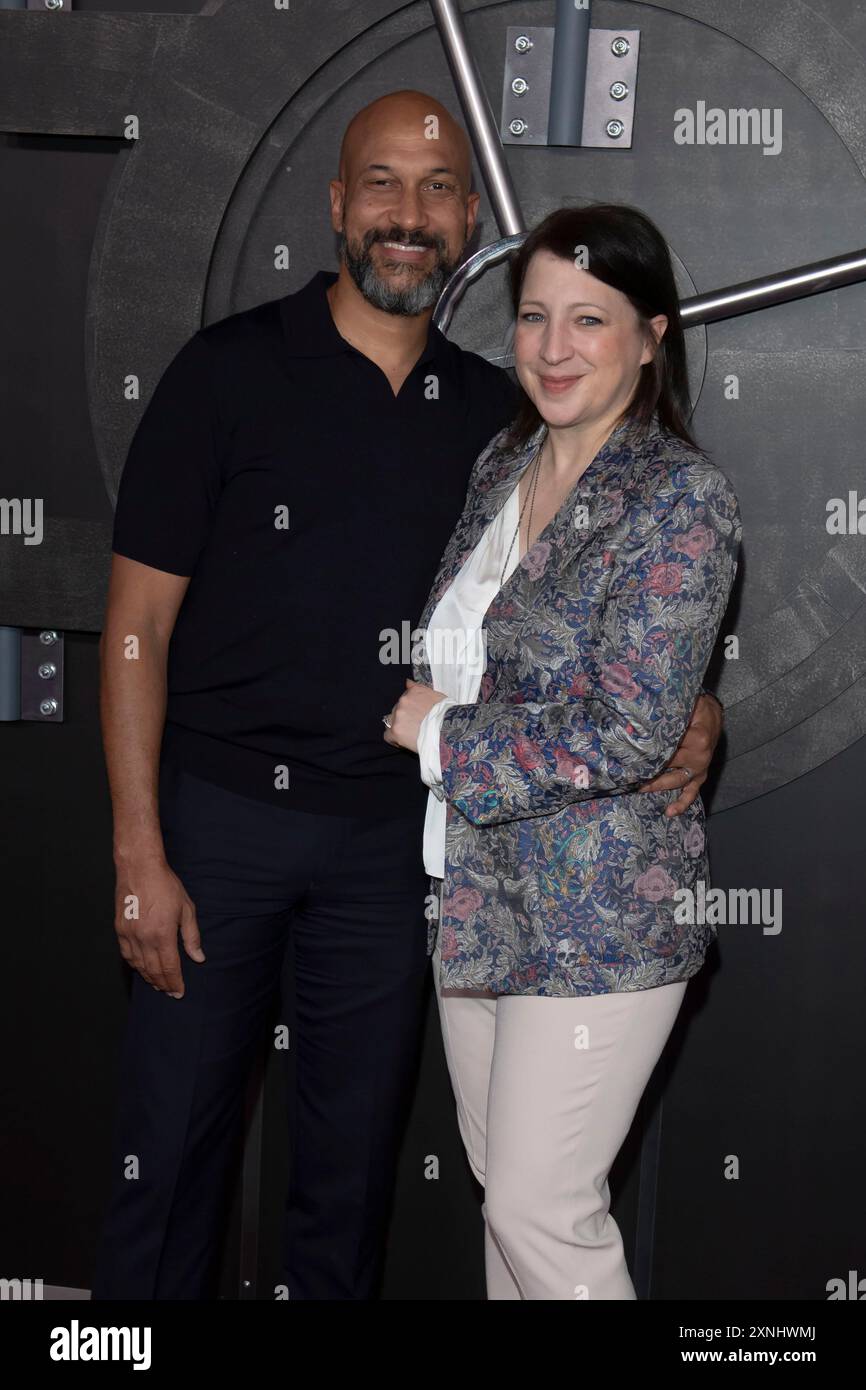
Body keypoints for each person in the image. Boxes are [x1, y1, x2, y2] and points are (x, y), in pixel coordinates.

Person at [92, 90, 723, 1301]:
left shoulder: (500, 418)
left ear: (466, 221)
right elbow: (135, 629)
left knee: (350, 1177)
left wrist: (696, 709)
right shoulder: (223, 375)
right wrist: (139, 849)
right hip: (217, 827)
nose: (407, 214)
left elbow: (598, 633)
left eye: (436, 191)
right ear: (335, 206)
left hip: (397, 851)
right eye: (380, 184)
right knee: (165, 1157)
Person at [383, 203, 742, 1300]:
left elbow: (632, 728)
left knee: (542, 1210)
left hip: (601, 916)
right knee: (507, 1199)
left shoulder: (678, 496)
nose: (550, 347)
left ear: (651, 334)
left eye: (587, 319)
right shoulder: (503, 464)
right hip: (477, 895)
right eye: (533, 316)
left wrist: (438, 732)